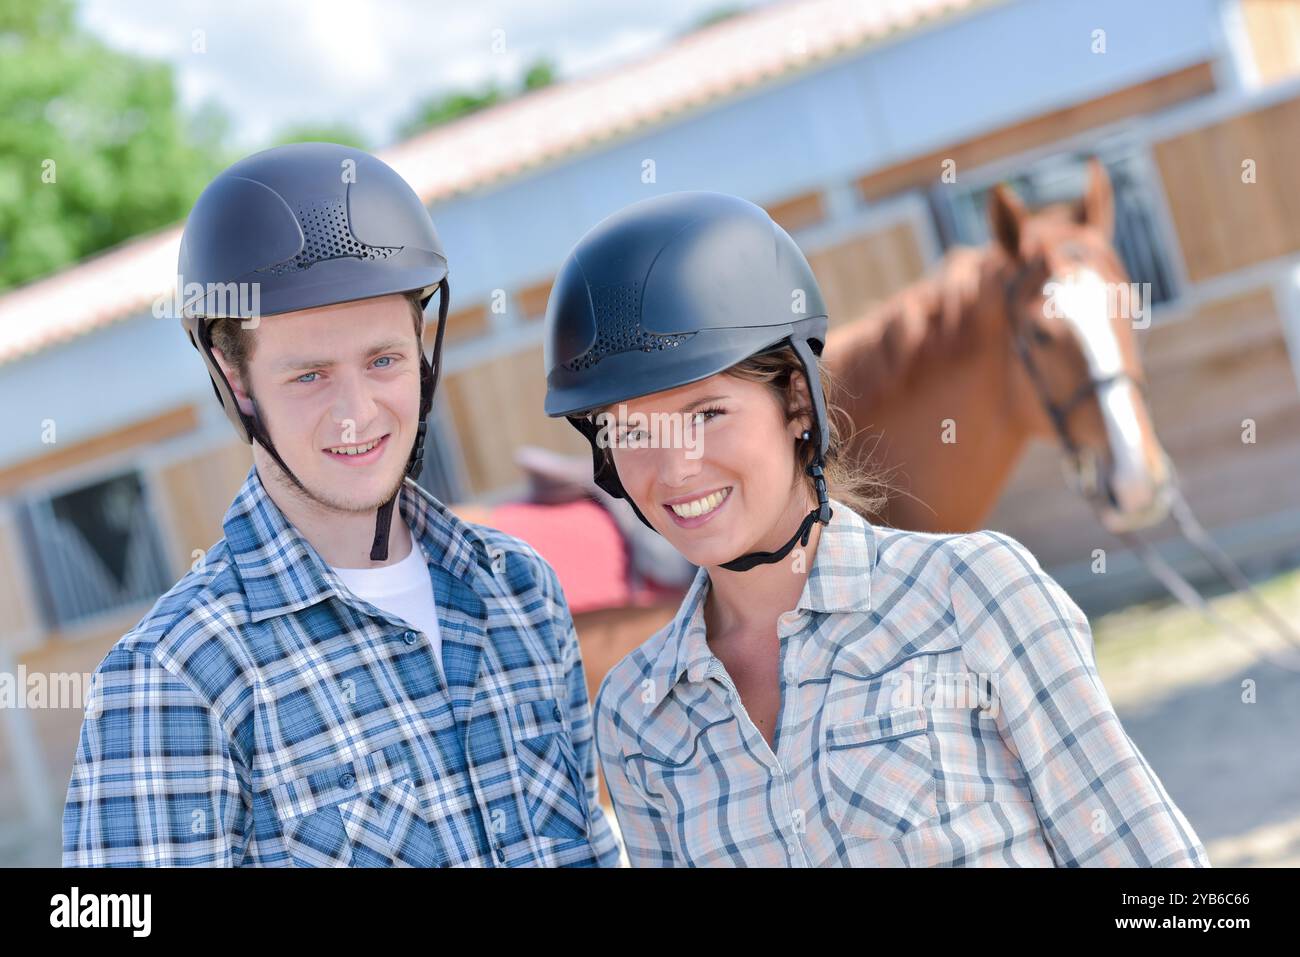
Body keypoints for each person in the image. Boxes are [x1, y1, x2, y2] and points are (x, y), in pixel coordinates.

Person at [541, 190, 1210, 867]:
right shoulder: (634, 714)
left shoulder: (976, 595)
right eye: (631, 429)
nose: (676, 468)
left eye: (708, 412)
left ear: (797, 401)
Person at [62, 142, 619, 868]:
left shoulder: (521, 591)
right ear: (236, 379)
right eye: (310, 375)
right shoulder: (172, 678)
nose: (357, 412)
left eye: (383, 360)